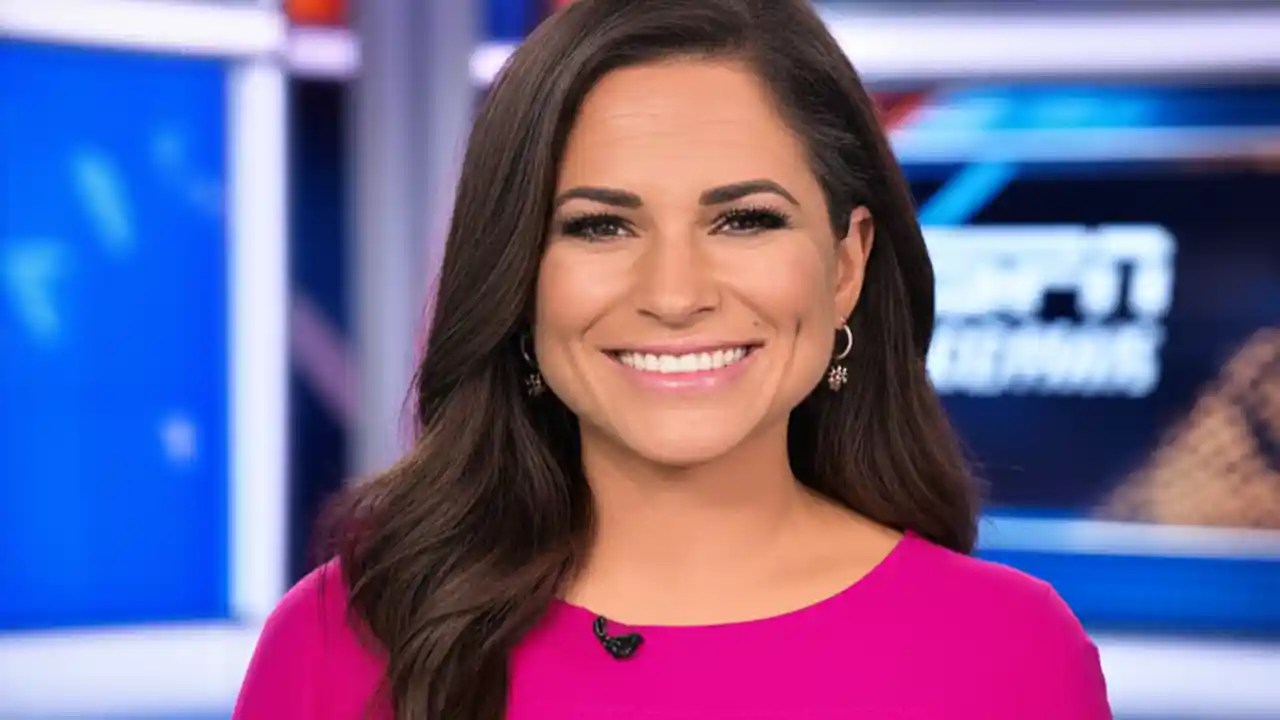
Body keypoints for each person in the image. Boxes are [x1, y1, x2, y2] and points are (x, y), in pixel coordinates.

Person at [234, 0, 1112, 718]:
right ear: (519, 276)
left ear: (846, 265)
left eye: (744, 220)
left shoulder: (1010, 654)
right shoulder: (342, 639)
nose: (676, 292)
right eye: (600, 226)